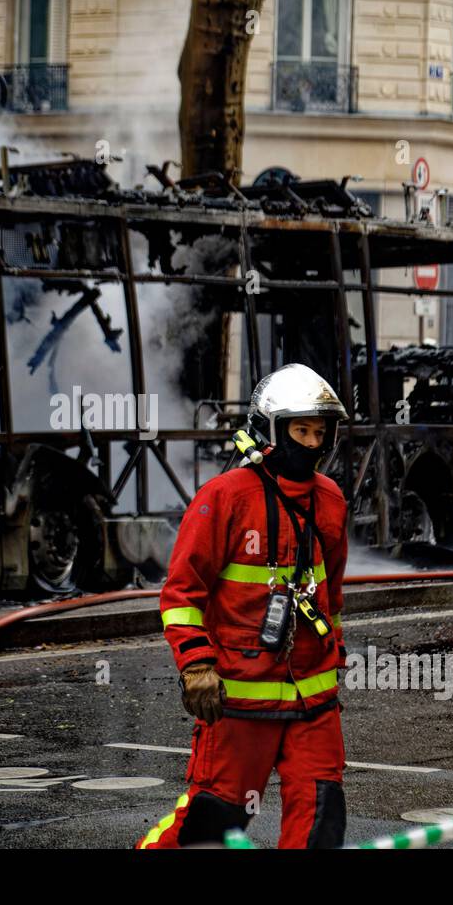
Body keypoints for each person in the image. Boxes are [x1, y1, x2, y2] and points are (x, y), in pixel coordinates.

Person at [136, 363, 350, 849]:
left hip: (312, 702)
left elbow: (330, 596)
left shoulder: (331, 502)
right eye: (301, 430)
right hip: (238, 699)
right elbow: (181, 593)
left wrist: (333, 657)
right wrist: (195, 667)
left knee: (321, 821)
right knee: (213, 826)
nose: (313, 444)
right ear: (270, 430)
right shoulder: (223, 498)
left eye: (321, 432)